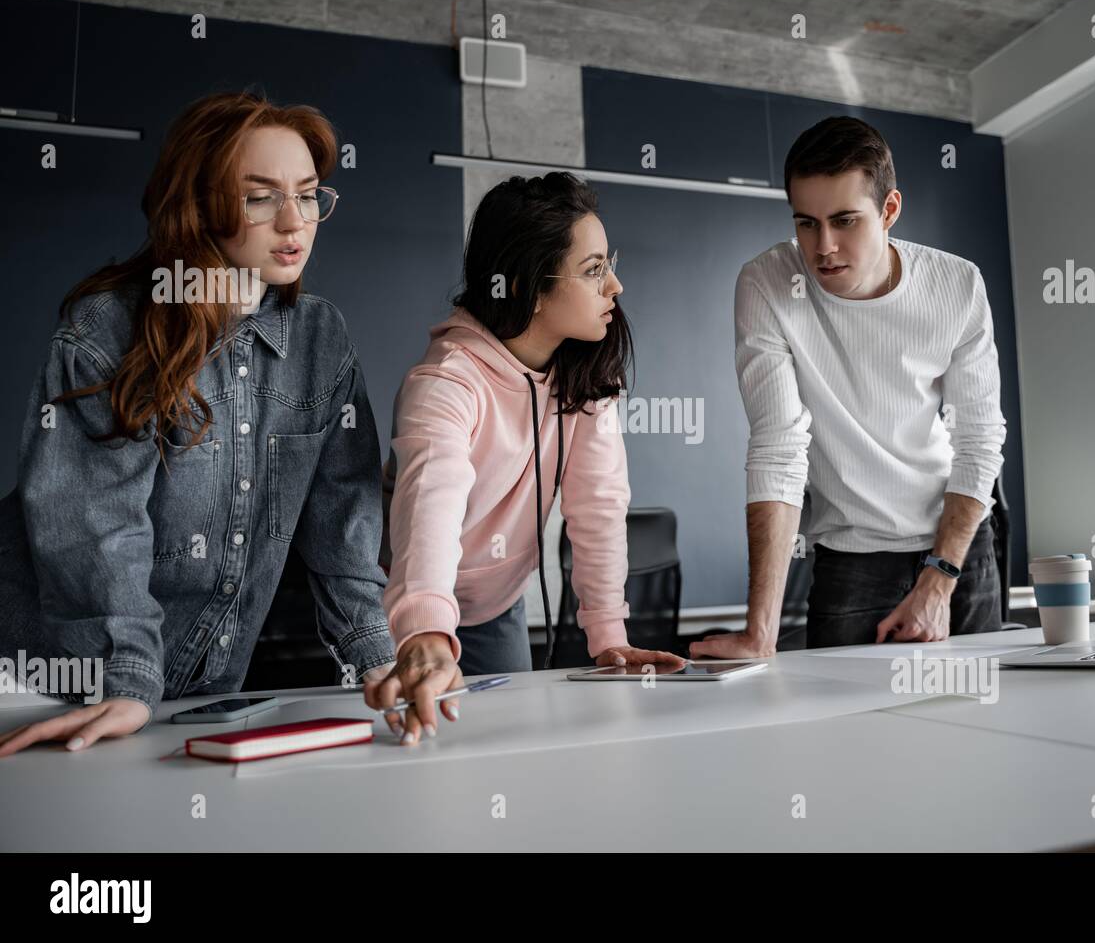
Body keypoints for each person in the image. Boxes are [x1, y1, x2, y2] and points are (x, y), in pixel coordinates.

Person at [0, 92, 395, 756]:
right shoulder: (108, 328)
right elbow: (94, 525)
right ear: (201, 202)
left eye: (307, 194)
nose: (293, 220)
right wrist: (125, 677)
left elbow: (341, 522)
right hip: (42, 679)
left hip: (195, 691)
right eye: (261, 197)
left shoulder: (321, 338)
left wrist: (376, 657)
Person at [373, 172, 684, 744]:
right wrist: (423, 635)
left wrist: (608, 637)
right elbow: (430, 512)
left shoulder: (584, 375)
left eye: (608, 263)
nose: (615, 285)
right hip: (401, 612)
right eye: (593, 270)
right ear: (526, 288)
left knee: (506, 756)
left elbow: (597, 506)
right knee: (409, 756)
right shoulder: (445, 383)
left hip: (497, 608)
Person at [691, 116, 1007, 660]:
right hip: (849, 557)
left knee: (979, 728)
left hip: (956, 549)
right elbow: (778, 447)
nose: (824, 248)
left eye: (844, 220)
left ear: (888, 210)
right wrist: (759, 632)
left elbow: (979, 439)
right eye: (806, 223)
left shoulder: (957, 285)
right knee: (842, 737)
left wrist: (939, 577)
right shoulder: (766, 283)